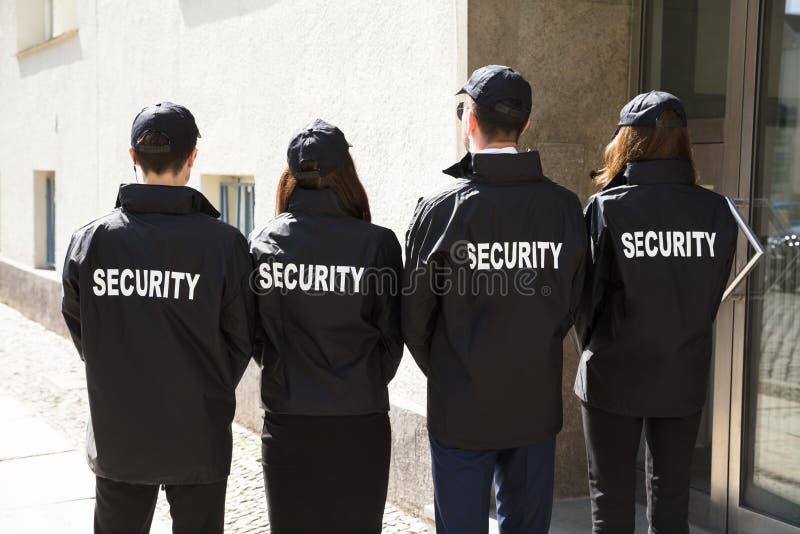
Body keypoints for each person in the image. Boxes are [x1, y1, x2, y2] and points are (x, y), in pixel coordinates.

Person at [402, 65, 588, 534]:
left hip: (461, 405)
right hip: (531, 401)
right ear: (524, 125)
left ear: (470, 123)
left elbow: (414, 315)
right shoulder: (564, 207)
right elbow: (570, 304)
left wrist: (453, 365)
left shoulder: (442, 207)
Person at [61, 102, 255, 534]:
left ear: (133, 157)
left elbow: (82, 329)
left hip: (120, 430)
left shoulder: (91, 242)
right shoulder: (224, 245)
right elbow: (241, 337)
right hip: (197, 430)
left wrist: (115, 371)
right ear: (192, 158)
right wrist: (204, 383)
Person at [574, 91, 738, 533]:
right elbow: (711, 291)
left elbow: (584, 301)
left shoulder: (607, 208)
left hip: (613, 370)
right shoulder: (717, 210)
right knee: (672, 502)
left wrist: (592, 348)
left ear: (627, 141)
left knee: (610, 503)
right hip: (681, 370)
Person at [249, 119, 403, 534]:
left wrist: (283, 371)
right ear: (346, 174)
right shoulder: (378, 243)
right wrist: (361, 379)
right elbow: (392, 336)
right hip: (360, 418)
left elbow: (254, 334)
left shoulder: (263, 242)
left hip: (288, 417)